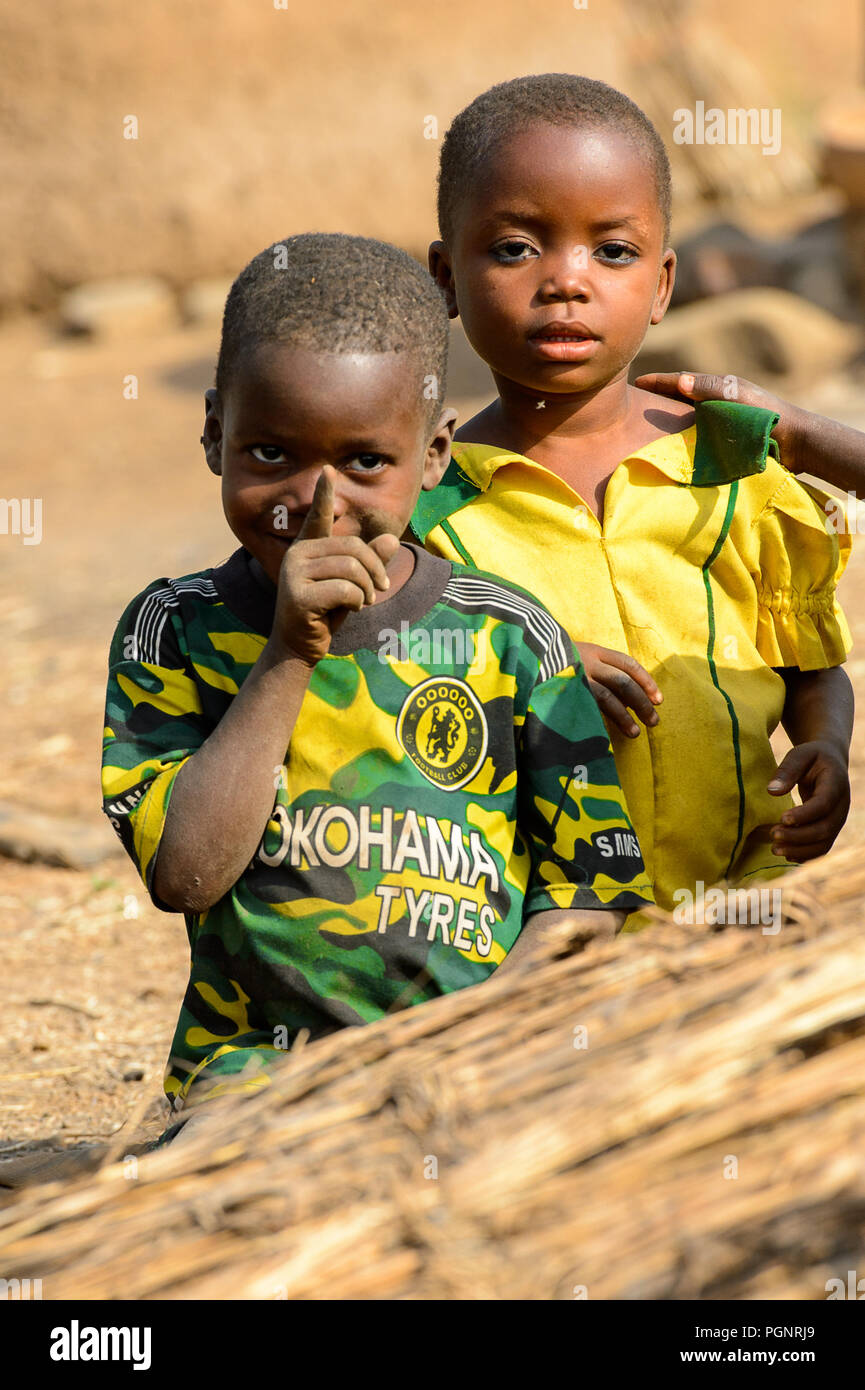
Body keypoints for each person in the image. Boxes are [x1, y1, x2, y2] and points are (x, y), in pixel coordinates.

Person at [100, 232, 651, 1128]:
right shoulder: (177, 631)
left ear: (432, 456)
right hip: (255, 1080)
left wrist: (475, 1041)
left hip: (482, 1067)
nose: (319, 503)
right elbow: (185, 876)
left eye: (364, 462)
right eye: (270, 454)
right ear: (214, 434)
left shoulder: (509, 637)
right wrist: (287, 653)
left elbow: (587, 898)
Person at [411, 73, 855, 917]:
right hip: (540, 934)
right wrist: (534, 663)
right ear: (444, 277)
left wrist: (825, 744)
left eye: (610, 251)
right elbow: (399, 686)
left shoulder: (731, 469)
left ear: (660, 284)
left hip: (748, 899)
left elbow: (811, 664)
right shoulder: (430, 505)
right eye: (514, 248)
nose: (564, 282)